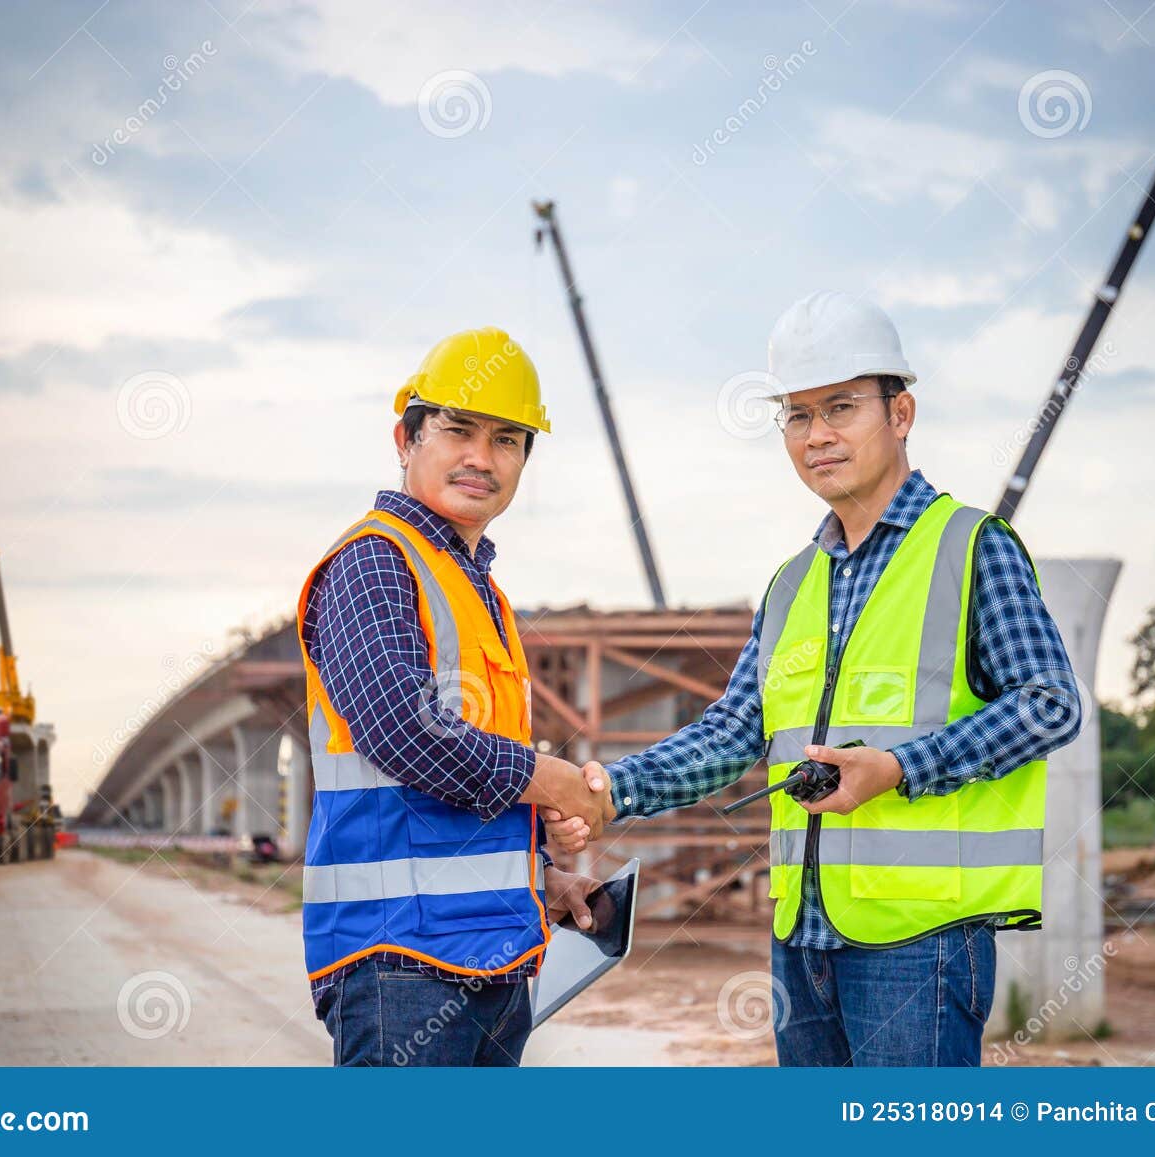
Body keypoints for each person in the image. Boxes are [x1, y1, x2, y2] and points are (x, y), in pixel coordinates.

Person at [592, 291, 1083, 1067]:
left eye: (841, 408)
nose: (817, 436)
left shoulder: (970, 547)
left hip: (920, 945)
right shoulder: (792, 584)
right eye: (797, 415)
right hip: (802, 942)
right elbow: (732, 732)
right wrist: (607, 789)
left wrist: (899, 768)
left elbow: (1050, 704)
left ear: (901, 413)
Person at [299, 327, 608, 1067]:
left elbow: (458, 792)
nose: (482, 456)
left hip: (495, 958)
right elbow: (402, 729)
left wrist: (542, 876)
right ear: (405, 438)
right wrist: (554, 779)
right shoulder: (375, 561)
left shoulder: (485, 595)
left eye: (507, 438)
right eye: (458, 429)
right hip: (398, 962)